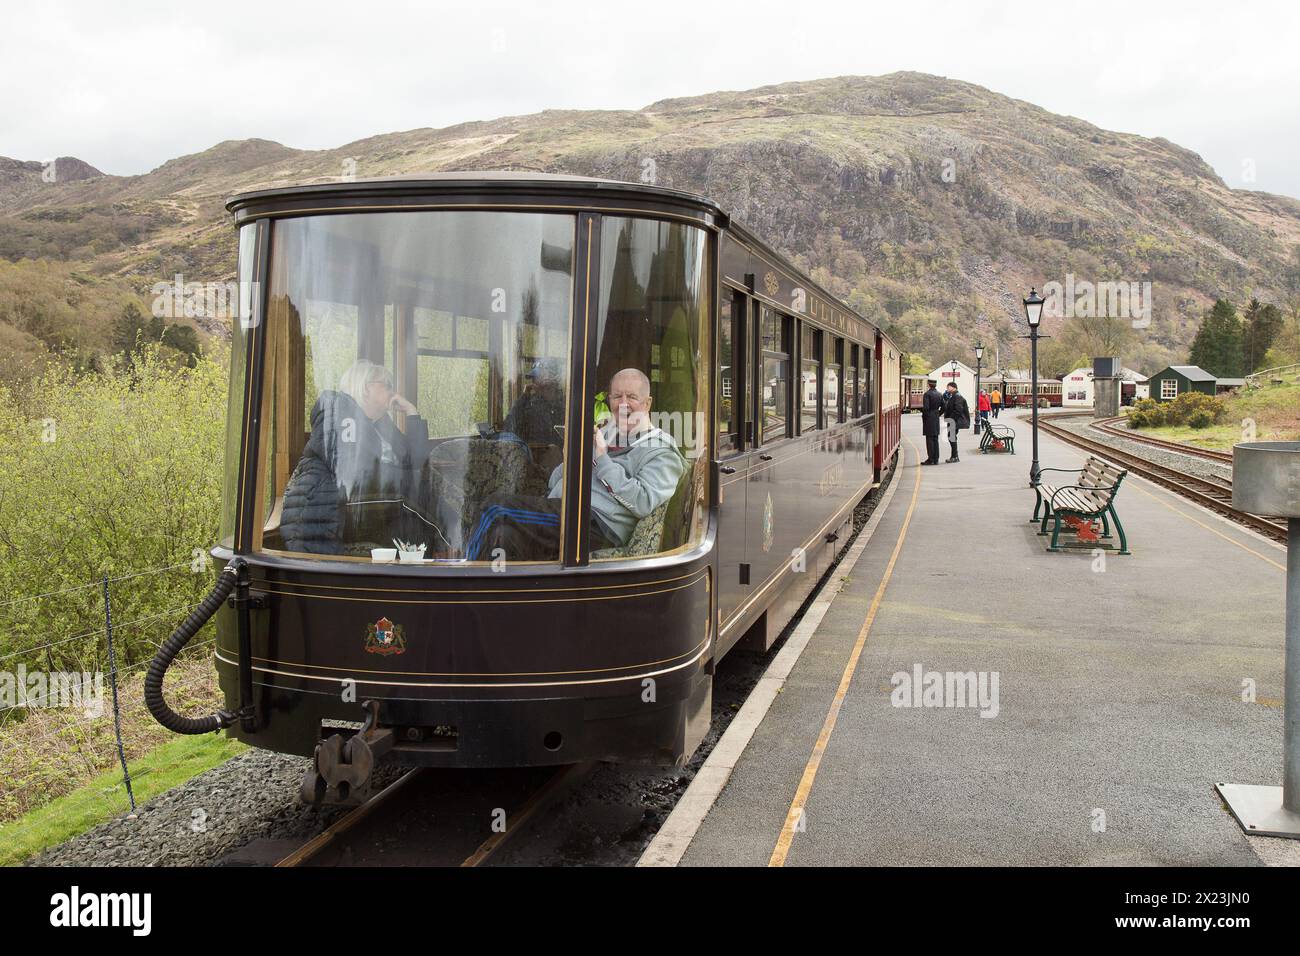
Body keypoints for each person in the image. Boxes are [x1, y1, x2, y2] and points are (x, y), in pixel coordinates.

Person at [463, 368, 686, 560]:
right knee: (502, 535)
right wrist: (571, 457)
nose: (623, 404)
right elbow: (554, 481)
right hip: (567, 507)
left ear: (647, 403)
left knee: (494, 506)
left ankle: (460, 584)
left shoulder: (661, 450)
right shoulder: (607, 432)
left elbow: (644, 501)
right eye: (617, 396)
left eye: (632, 397)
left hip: (598, 526)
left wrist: (601, 457)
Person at [280, 360, 442, 555]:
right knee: (426, 512)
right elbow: (358, 473)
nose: (393, 392)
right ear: (366, 388)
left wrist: (412, 413)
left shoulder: (380, 424)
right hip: (321, 519)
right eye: (387, 385)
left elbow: (417, 462)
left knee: (428, 512)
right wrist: (406, 480)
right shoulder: (340, 412)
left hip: (358, 512)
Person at [940, 381, 970, 462]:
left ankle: (955, 457)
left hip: (954, 421)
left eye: (948, 387)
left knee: (952, 437)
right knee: (952, 437)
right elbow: (948, 407)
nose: (947, 389)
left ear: (953, 387)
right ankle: (954, 456)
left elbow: (958, 410)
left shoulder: (957, 397)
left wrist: (951, 419)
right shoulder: (953, 396)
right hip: (953, 420)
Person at [920, 379, 943, 466]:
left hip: (929, 418)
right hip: (936, 417)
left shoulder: (927, 394)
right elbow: (944, 406)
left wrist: (924, 417)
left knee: (929, 439)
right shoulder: (939, 394)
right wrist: (938, 414)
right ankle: (936, 459)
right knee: (935, 439)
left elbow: (926, 408)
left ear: (929, 385)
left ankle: (931, 459)